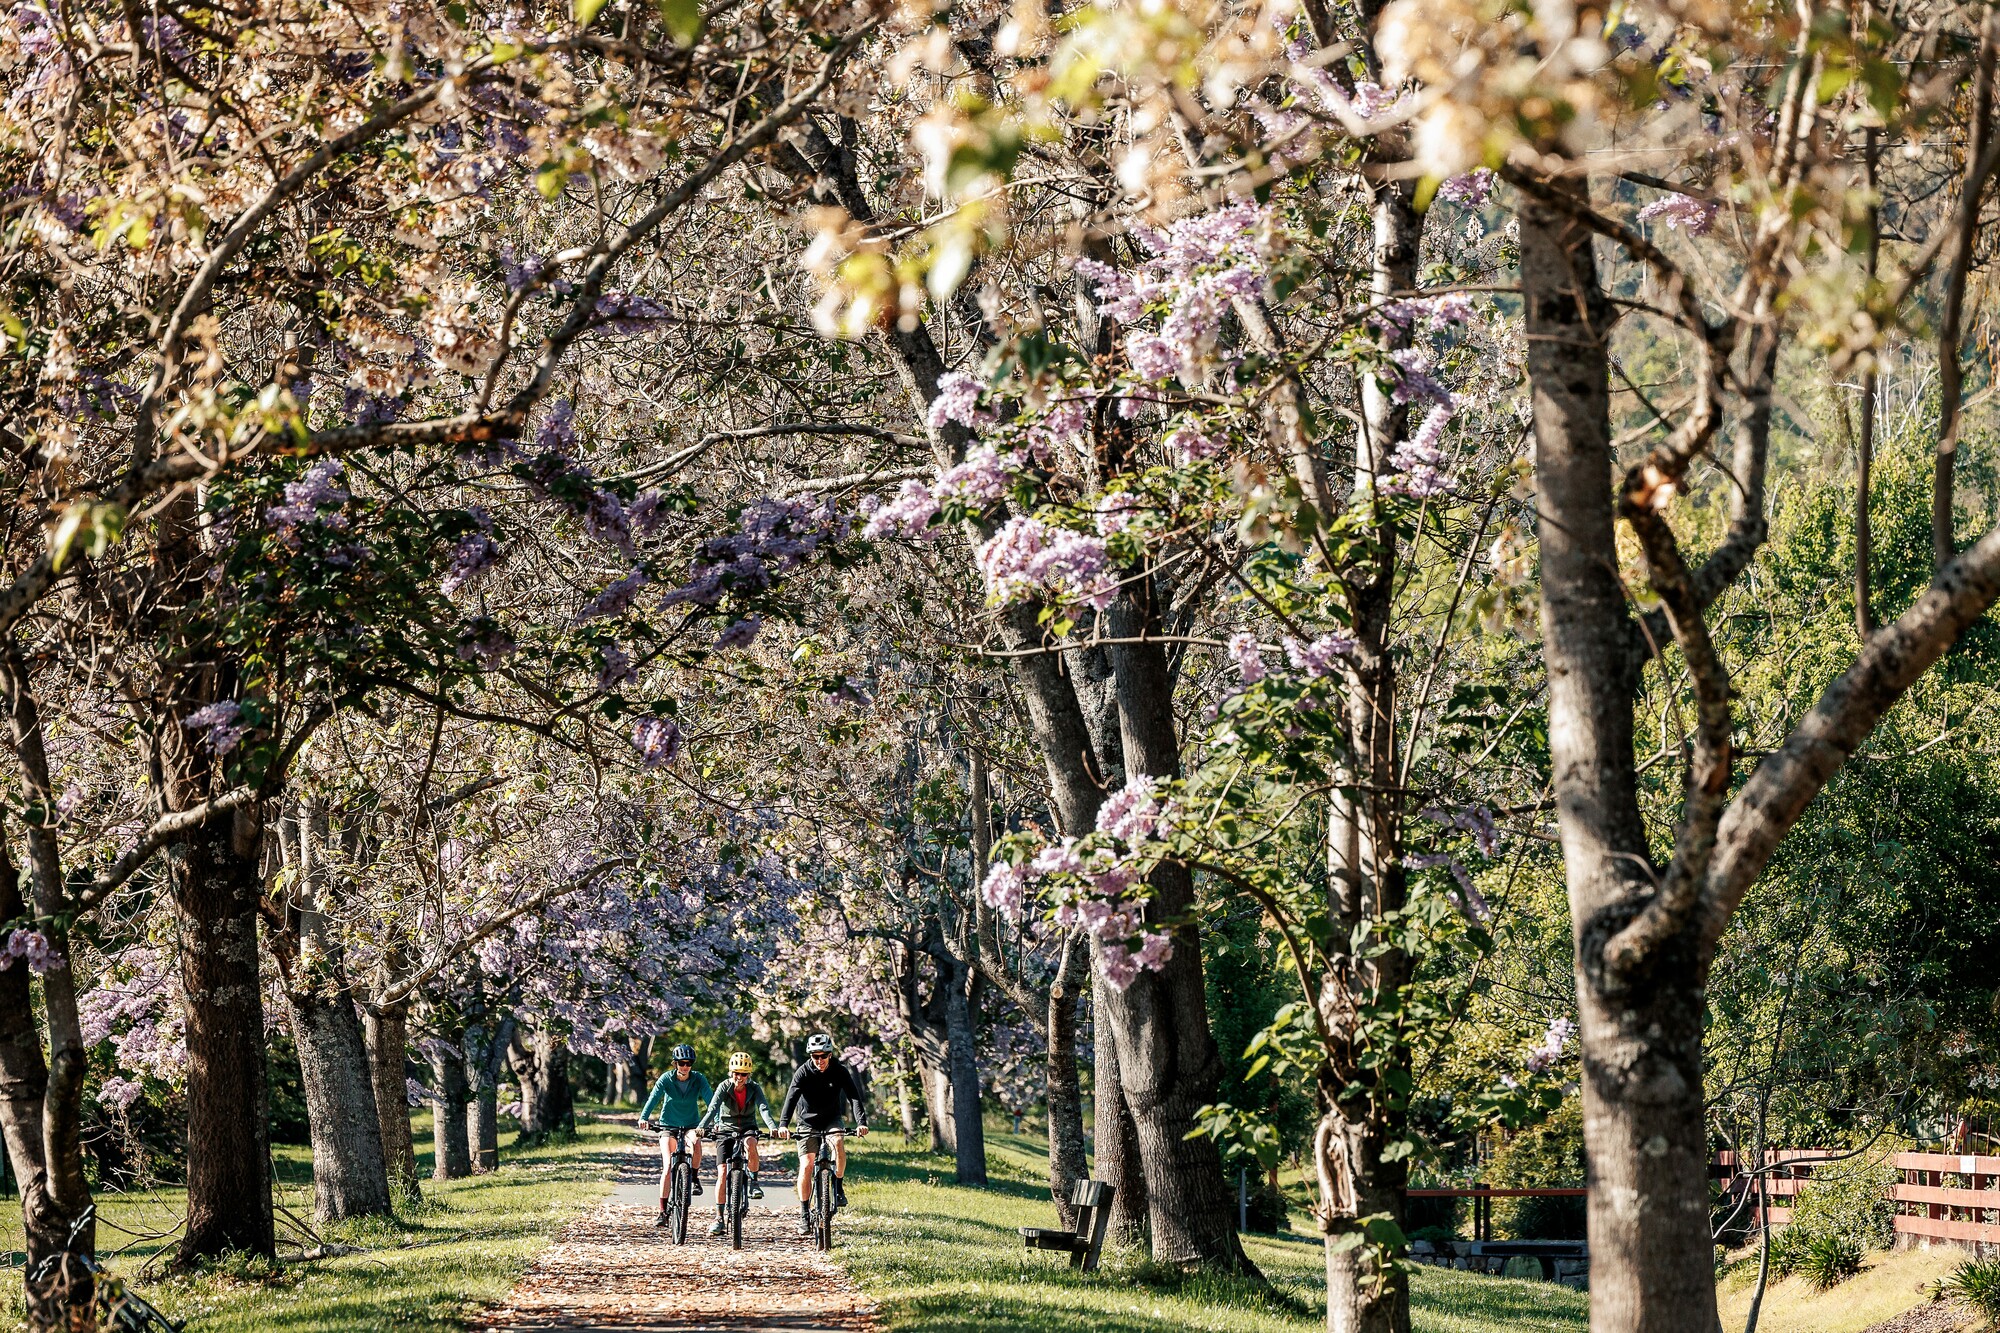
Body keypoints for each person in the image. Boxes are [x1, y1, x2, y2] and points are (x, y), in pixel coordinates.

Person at [776, 1032, 869, 1237]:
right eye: (815, 1056)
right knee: (807, 1164)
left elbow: (854, 1097)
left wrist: (861, 1123)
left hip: (831, 1118)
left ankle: (838, 1186)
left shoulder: (839, 1070)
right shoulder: (803, 1072)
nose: (819, 1060)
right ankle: (804, 1214)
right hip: (807, 1121)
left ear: (830, 1055)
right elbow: (791, 1098)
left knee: (838, 1141)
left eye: (823, 1056)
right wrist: (783, 1124)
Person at [695, 1051, 777, 1236]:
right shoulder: (724, 1087)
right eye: (736, 1073)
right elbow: (713, 1108)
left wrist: (772, 1126)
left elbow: (763, 1108)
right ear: (730, 1073)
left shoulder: (754, 1088)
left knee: (750, 1143)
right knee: (722, 1172)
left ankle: (754, 1182)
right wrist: (702, 1126)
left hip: (747, 1127)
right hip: (725, 1129)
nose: (739, 1078)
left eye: (743, 1074)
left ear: (749, 1075)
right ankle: (719, 1217)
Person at [638, 1045, 711, 1227]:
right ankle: (662, 1212)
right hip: (668, 1125)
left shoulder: (698, 1079)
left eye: (688, 1063)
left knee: (696, 1141)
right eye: (681, 1063)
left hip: (691, 1124)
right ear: (675, 1063)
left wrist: (716, 1121)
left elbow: (712, 1102)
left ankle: (694, 1178)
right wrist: (644, 1118)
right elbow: (653, 1098)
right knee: (668, 1166)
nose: (685, 1067)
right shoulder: (666, 1079)